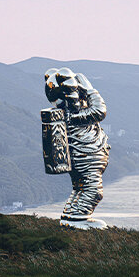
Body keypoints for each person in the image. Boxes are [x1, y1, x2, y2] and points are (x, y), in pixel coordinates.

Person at [43, 67, 110, 223]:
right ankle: (78, 219)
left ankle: (70, 215)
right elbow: (100, 110)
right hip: (87, 156)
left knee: (80, 188)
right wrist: (90, 90)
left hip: (80, 157)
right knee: (93, 191)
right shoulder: (75, 116)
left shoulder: (65, 114)